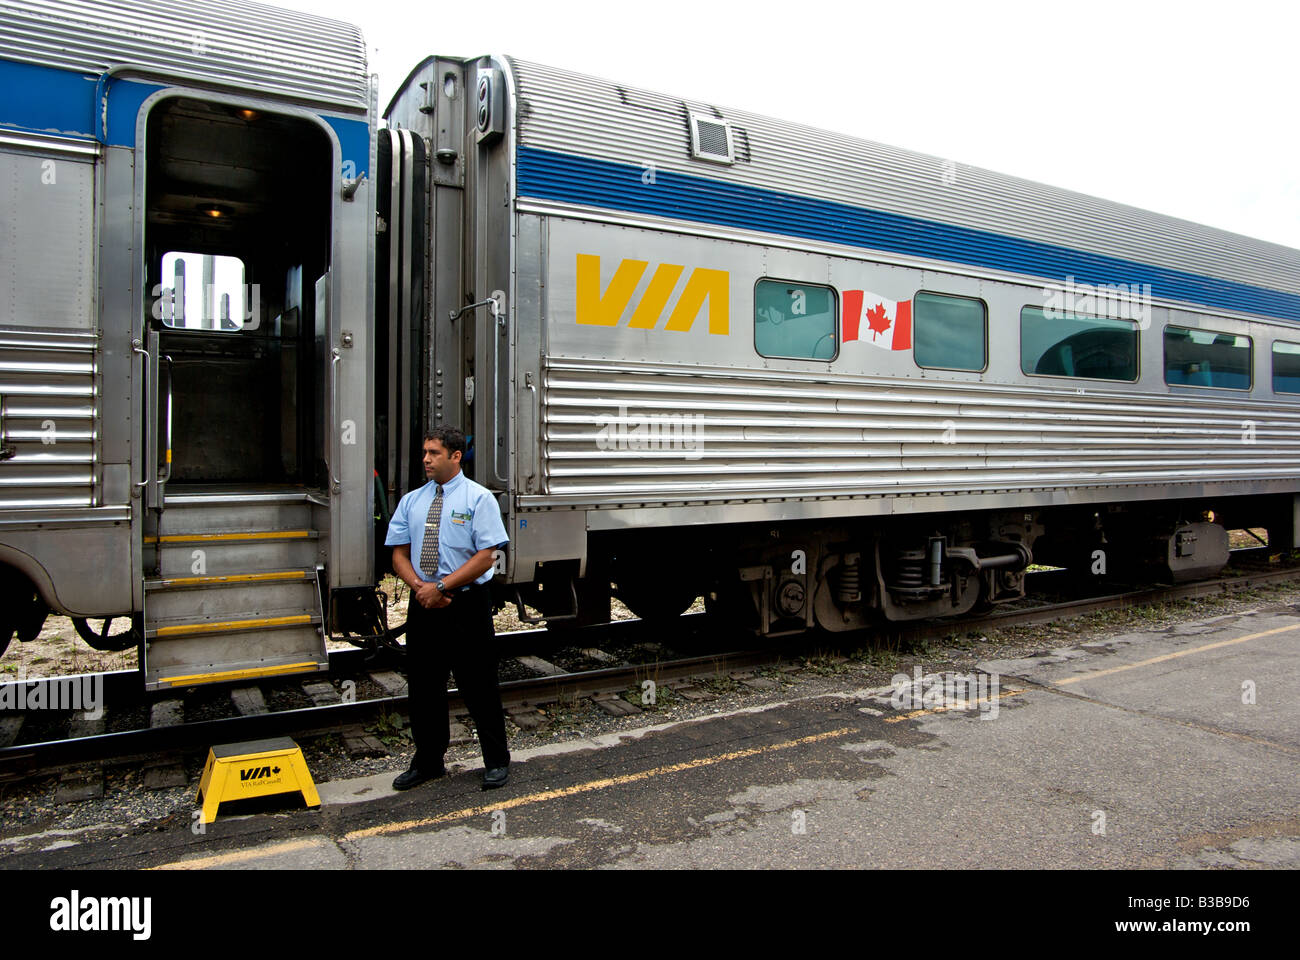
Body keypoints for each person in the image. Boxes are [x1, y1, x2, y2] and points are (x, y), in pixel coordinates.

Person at [385, 426, 511, 791]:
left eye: (434, 453)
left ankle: (496, 762)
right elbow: (399, 554)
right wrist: (422, 589)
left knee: (479, 683)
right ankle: (427, 761)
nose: (426, 459)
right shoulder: (412, 500)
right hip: (423, 602)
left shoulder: (478, 498)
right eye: (425, 452)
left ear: (455, 456)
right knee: (424, 686)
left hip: (466, 603)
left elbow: (488, 556)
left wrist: (441, 586)